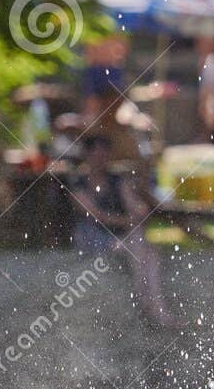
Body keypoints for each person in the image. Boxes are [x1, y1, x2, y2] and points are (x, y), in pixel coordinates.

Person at [65, 133, 176, 328]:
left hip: (118, 236)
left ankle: (154, 306)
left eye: (104, 154)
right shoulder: (77, 183)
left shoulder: (118, 180)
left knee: (147, 253)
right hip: (92, 236)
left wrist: (140, 209)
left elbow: (136, 209)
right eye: (97, 154)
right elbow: (95, 215)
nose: (101, 158)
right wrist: (127, 221)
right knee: (140, 248)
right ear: (87, 155)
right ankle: (153, 308)